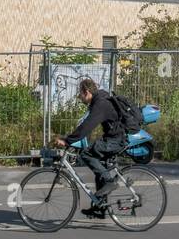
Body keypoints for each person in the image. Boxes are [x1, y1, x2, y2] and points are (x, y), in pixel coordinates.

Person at [54, 77, 126, 218]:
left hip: (116, 140)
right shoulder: (99, 100)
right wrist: (71, 138)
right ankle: (100, 207)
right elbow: (86, 124)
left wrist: (68, 141)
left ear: (86, 92)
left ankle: (110, 182)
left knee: (86, 154)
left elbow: (87, 126)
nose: (79, 98)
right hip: (113, 137)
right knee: (100, 166)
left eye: (80, 94)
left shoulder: (100, 104)